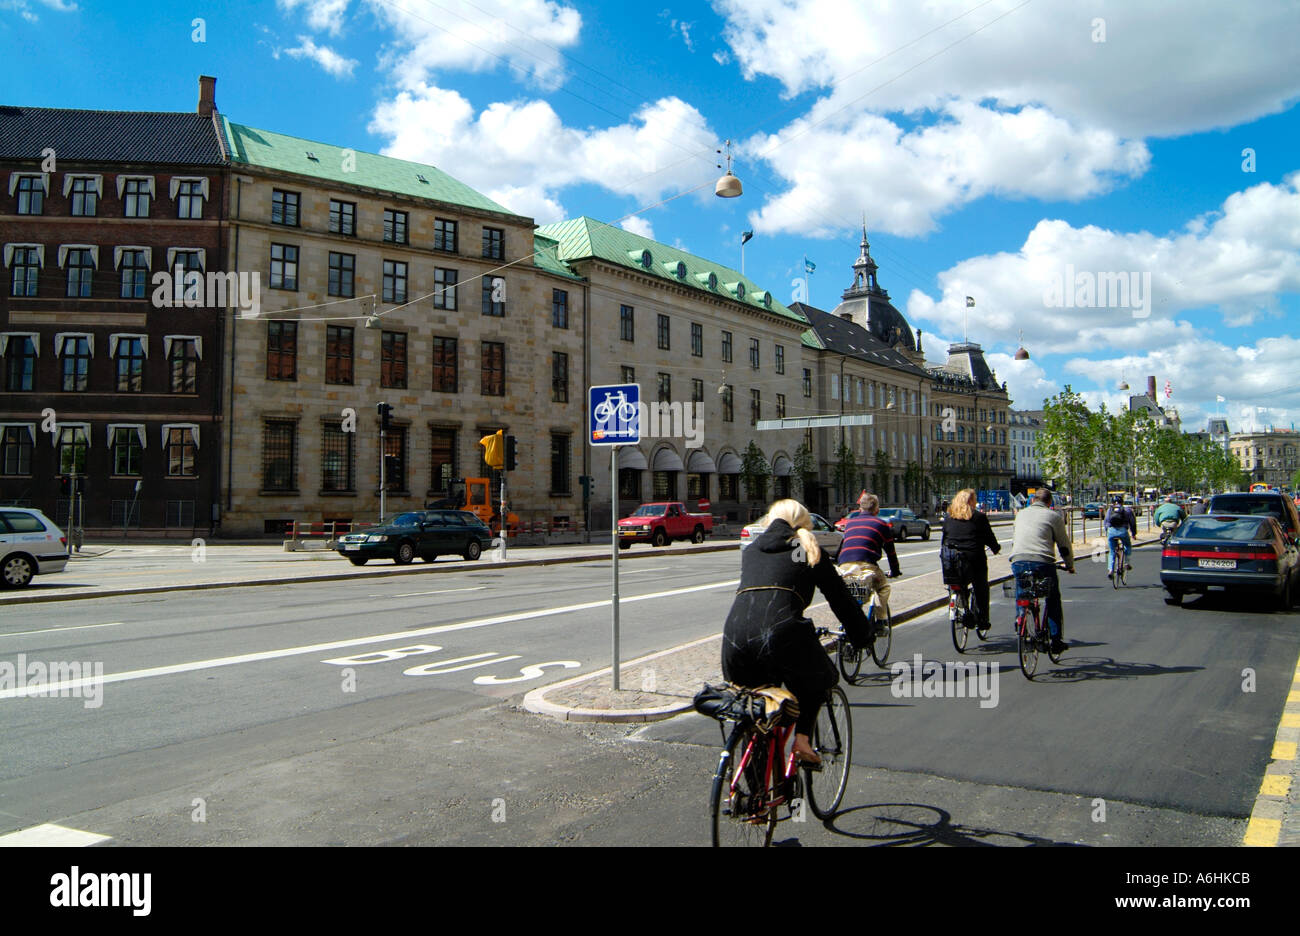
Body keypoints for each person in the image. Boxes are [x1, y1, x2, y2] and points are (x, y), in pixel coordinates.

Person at [722, 499, 871, 765]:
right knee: (819, 680)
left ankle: (753, 800)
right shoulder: (807, 549)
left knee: (754, 710)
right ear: (804, 524)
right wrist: (862, 635)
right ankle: (802, 740)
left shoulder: (753, 549)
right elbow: (840, 599)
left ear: (769, 520)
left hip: (734, 638)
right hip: (782, 634)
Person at [1009, 489, 1075, 655]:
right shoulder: (1053, 517)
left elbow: (1015, 539)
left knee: (1022, 593)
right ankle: (1056, 640)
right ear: (1049, 502)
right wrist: (1069, 565)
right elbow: (1064, 545)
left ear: (1032, 500)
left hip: (1019, 560)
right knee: (1052, 598)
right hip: (1043, 562)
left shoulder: (1020, 515)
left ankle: (1020, 620)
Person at [940, 488, 1001, 630]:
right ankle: (983, 619)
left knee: (959, 583)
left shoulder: (949, 518)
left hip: (952, 560)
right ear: (971, 501)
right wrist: (995, 548)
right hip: (974, 559)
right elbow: (989, 537)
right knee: (981, 587)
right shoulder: (978, 517)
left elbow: (944, 540)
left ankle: (962, 605)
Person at [837, 492, 901, 621]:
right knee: (883, 588)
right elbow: (891, 553)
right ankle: (881, 620)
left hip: (844, 564)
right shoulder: (881, 524)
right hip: (867, 565)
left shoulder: (850, 523)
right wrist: (895, 570)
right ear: (876, 509)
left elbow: (843, 546)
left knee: (848, 593)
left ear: (860, 508)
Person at [1105, 495, 1137, 577]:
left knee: (1112, 551)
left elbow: (1106, 522)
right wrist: (1133, 534)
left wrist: (1107, 533)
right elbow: (1132, 523)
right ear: (1122, 502)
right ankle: (1126, 563)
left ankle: (1110, 570)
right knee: (1127, 545)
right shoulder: (1127, 510)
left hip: (1111, 531)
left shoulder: (1109, 510)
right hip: (1123, 531)